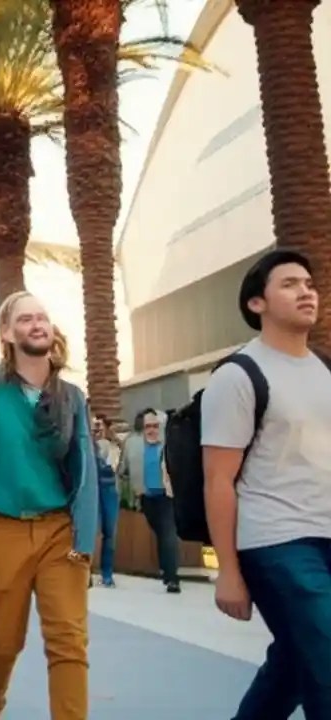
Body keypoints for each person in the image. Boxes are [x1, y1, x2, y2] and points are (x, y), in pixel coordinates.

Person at [0, 291, 97, 720]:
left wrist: (85, 540)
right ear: (8, 333)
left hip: (58, 531)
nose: (37, 324)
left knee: (68, 641)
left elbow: (85, 471)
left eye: (43, 317)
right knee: (2, 643)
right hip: (1, 531)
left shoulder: (71, 397)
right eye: (26, 318)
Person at [201, 250, 331, 720]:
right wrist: (228, 573)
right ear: (257, 304)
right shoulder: (239, 375)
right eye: (291, 284)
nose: (306, 292)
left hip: (326, 533)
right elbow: (218, 480)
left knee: (296, 666)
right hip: (276, 541)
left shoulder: (325, 370)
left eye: (310, 284)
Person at [118, 409, 180, 592]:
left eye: (155, 426)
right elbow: (123, 470)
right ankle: (165, 569)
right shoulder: (133, 445)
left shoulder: (169, 444)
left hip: (167, 495)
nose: (151, 430)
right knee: (161, 532)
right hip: (146, 497)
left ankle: (172, 578)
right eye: (148, 427)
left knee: (168, 533)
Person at [93, 414, 121, 588]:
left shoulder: (113, 447)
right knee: (91, 530)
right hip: (93, 489)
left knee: (109, 532)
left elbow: (113, 466)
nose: (97, 428)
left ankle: (107, 573)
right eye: (94, 425)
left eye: (99, 425)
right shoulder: (85, 444)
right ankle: (86, 571)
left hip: (109, 489)